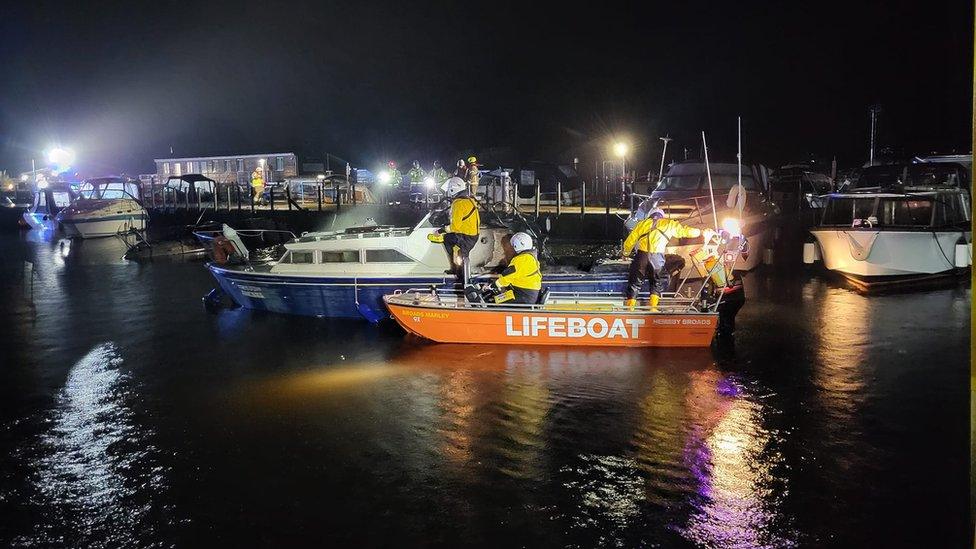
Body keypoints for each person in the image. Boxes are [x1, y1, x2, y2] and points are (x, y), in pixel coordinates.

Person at [622, 207, 713, 309]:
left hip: (642, 256)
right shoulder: (669, 224)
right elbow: (685, 231)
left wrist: (626, 253)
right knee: (657, 281)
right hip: (657, 257)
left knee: (635, 281)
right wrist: (701, 232)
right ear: (662, 216)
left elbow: (630, 240)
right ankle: (653, 307)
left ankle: (630, 308)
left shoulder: (642, 224)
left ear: (650, 215)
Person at [427, 177, 480, 285]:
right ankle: (457, 271)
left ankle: (463, 281)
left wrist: (441, 230)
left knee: (455, 249)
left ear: (452, 189)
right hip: (471, 234)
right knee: (451, 242)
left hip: (465, 237)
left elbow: (455, 227)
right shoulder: (469, 200)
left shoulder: (458, 203)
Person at [494, 232, 542, 304]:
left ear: (516, 245)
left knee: (495, 302)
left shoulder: (522, 259)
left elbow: (509, 275)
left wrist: (495, 284)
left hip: (523, 296)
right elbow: (515, 275)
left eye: (513, 245)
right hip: (526, 294)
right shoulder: (529, 257)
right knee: (497, 299)